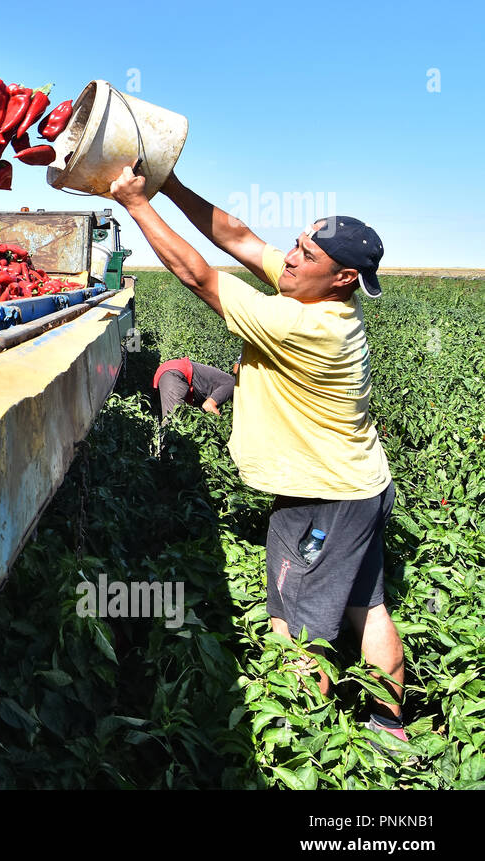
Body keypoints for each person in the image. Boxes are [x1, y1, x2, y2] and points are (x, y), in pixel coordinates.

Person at [109, 165, 408, 746]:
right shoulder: (310, 288)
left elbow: (199, 275)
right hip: (361, 486)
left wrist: (137, 205)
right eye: (297, 244)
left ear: (343, 277)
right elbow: (239, 237)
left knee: (296, 623)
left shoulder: (303, 321)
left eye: (307, 256)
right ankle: (389, 727)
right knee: (365, 607)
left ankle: (299, 742)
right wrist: (169, 186)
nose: (290, 259)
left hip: (323, 497)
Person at [153, 356, 236, 421]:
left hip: (172, 372)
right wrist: (223, 431)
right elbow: (208, 405)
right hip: (174, 373)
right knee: (172, 423)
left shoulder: (227, 384)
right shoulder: (232, 385)